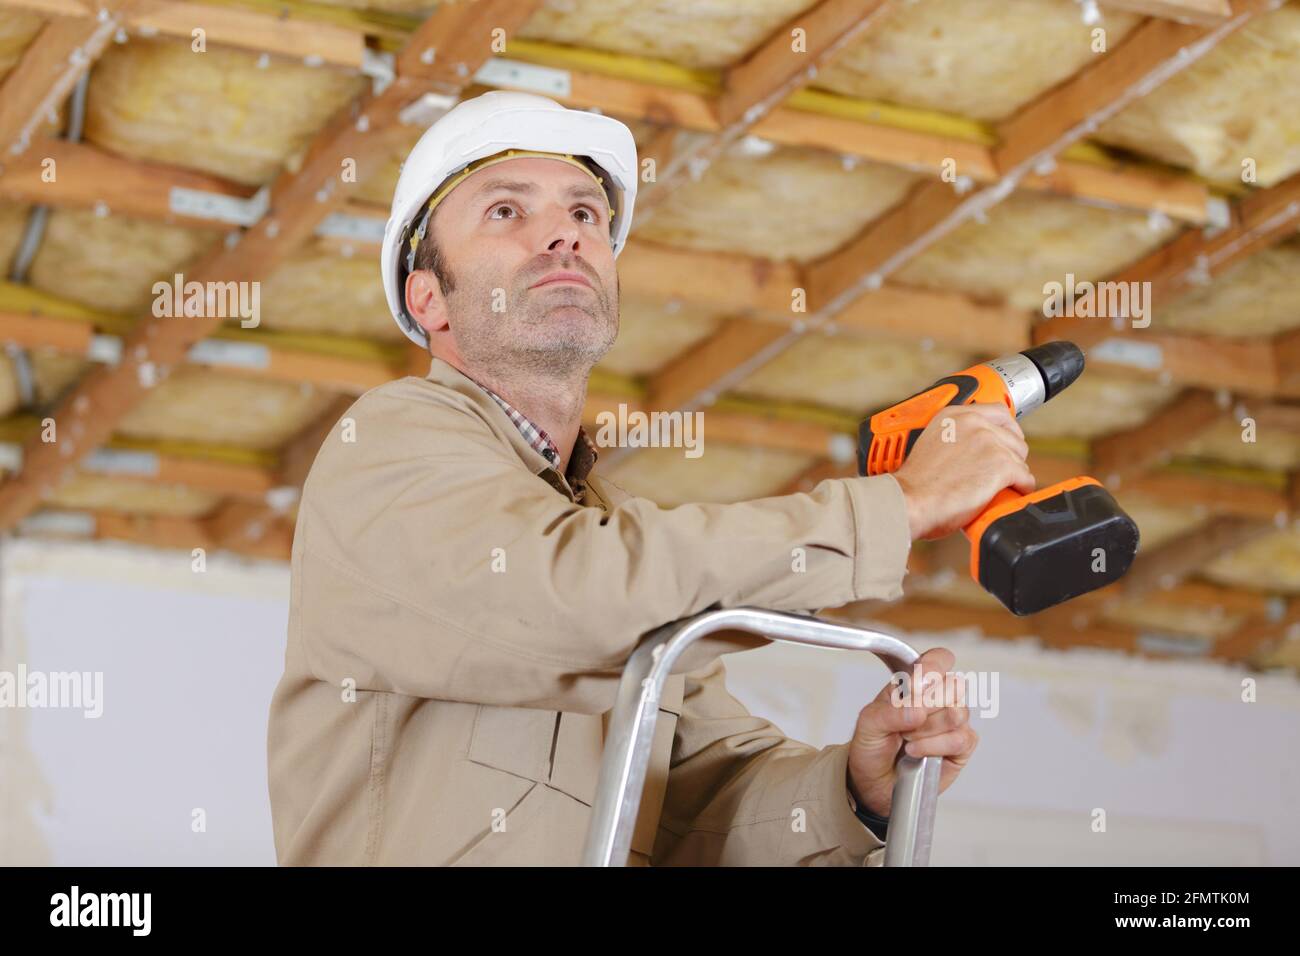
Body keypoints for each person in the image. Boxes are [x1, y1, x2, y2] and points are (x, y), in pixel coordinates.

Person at [266, 91, 1035, 866]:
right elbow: (564, 596)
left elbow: (707, 797)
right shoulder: (389, 444)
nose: (563, 231)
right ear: (426, 296)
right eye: (505, 211)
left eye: (586, 215)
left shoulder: (615, 534)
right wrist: (897, 507)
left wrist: (855, 792)